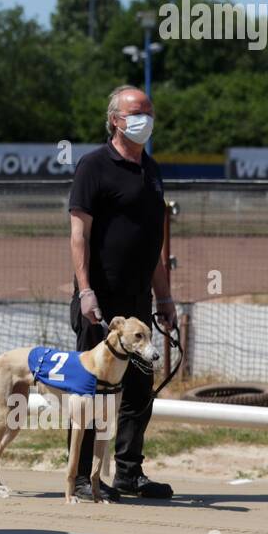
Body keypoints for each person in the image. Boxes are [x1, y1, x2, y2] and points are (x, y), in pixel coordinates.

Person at [67, 85, 176, 501]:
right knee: (93, 391)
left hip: (138, 307)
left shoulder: (152, 170)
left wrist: (164, 299)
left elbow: (154, 246)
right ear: (115, 119)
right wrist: (86, 291)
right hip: (102, 303)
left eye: (149, 110)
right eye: (136, 111)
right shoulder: (94, 166)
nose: (145, 118)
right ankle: (80, 476)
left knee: (138, 390)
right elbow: (79, 234)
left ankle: (129, 472)